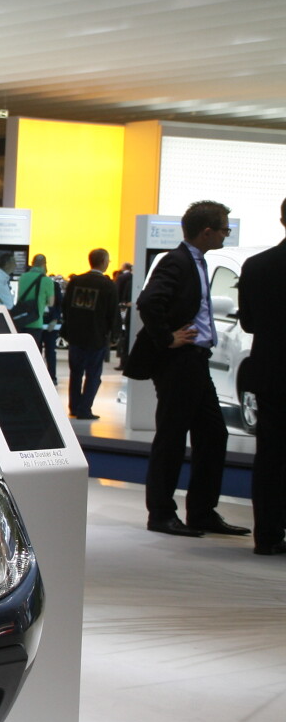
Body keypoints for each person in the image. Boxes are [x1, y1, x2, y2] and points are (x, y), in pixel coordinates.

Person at [124, 200, 246, 539]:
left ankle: (202, 512)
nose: (227, 233)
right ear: (207, 231)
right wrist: (167, 339)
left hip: (195, 361)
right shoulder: (176, 261)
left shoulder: (195, 261)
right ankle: (161, 513)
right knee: (172, 437)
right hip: (179, 362)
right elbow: (149, 301)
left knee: (213, 434)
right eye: (224, 228)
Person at [238, 198, 285, 556]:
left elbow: (249, 323)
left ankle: (267, 535)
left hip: (270, 372)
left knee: (269, 455)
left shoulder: (256, 266)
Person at [62, 248, 118, 420]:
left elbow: (66, 307)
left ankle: (74, 406)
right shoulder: (108, 285)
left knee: (76, 372)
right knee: (93, 374)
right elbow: (113, 313)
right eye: (108, 260)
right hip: (96, 336)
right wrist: (114, 335)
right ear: (103, 261)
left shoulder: (76, 281)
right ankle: (85, 409)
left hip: (75, 335)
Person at [14, 253, 59, 382]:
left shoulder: (23, 277)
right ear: (45, 264)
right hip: (35, 321)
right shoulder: (46, 280)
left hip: (21, 320)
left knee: (22, 352)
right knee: (35, 352)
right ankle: (33, 379)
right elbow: (50, 303)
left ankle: (21, 377)